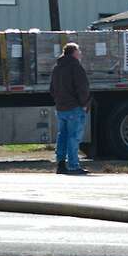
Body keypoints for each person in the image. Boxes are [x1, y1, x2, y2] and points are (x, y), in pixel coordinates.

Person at [49, 42, 90, 175]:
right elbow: (82, 88)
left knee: (62, 135)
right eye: (79, 51)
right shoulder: (75, 67)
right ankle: (73, 165)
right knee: (73, 137)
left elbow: (52, 89)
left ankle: (61, 164)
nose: (80, 54)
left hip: (61, 108)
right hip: (74, 107)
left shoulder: (57, 67)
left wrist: (59, 101)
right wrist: (84, 104)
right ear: (74, 53)